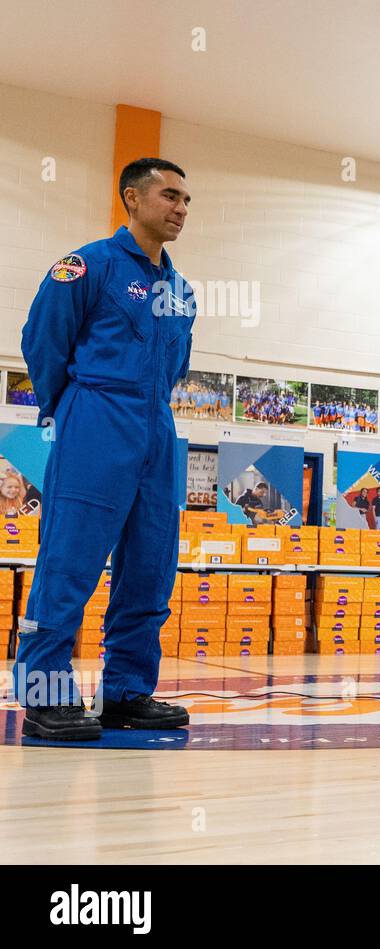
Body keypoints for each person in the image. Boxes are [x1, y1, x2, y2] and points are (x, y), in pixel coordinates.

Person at [14, 157, 195, 740]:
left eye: (187, 201)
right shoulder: (85, 266)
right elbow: (43, 340)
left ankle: (125, 692)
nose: (181, 209)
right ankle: (45, 693)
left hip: (157, 429)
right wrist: (68, 407)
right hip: (97, 417)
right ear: (132, 199)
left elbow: (177, 365)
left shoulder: (183, 291)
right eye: (170, 196)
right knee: (69, 561)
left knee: (150, 567)